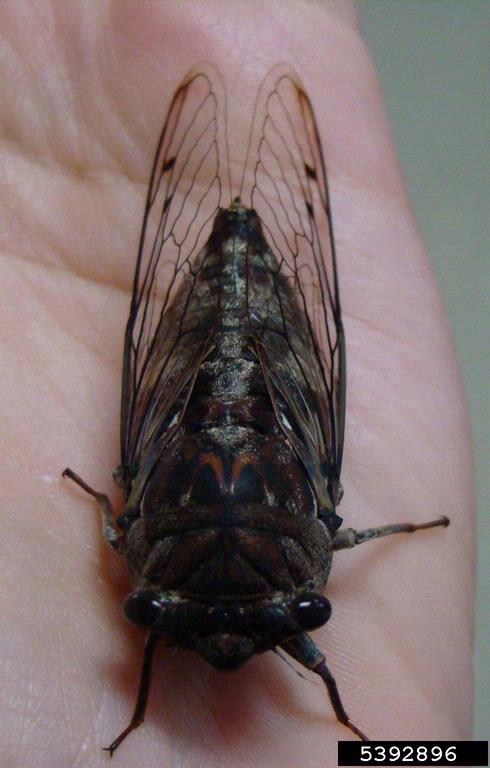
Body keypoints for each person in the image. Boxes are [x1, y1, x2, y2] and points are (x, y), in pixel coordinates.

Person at [0, 2, 473, 766]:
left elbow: (115, 526)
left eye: (152, 607)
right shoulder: (186, 555)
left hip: (202, 375)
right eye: (304, 609)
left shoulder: (156, 567)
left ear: (143, 574)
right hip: (273, 371)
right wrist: (370, 746)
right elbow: (123, 531)